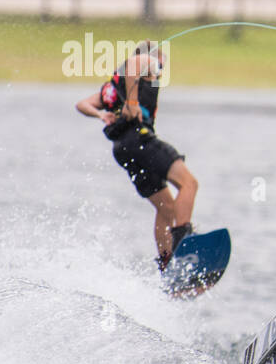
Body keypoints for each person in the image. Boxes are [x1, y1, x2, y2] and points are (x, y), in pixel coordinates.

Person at [75, 41, 199, 270]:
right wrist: (132, 103)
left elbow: (82, 104)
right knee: (189, 184)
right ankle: (184, 248)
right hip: (140, 140)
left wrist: (101, 115)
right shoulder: (145, 62)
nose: (160, 72)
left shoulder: (110, 89)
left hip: (123, 149)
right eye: (161, 66)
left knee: (166, 208)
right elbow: (134, 64)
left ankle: (167, 262)